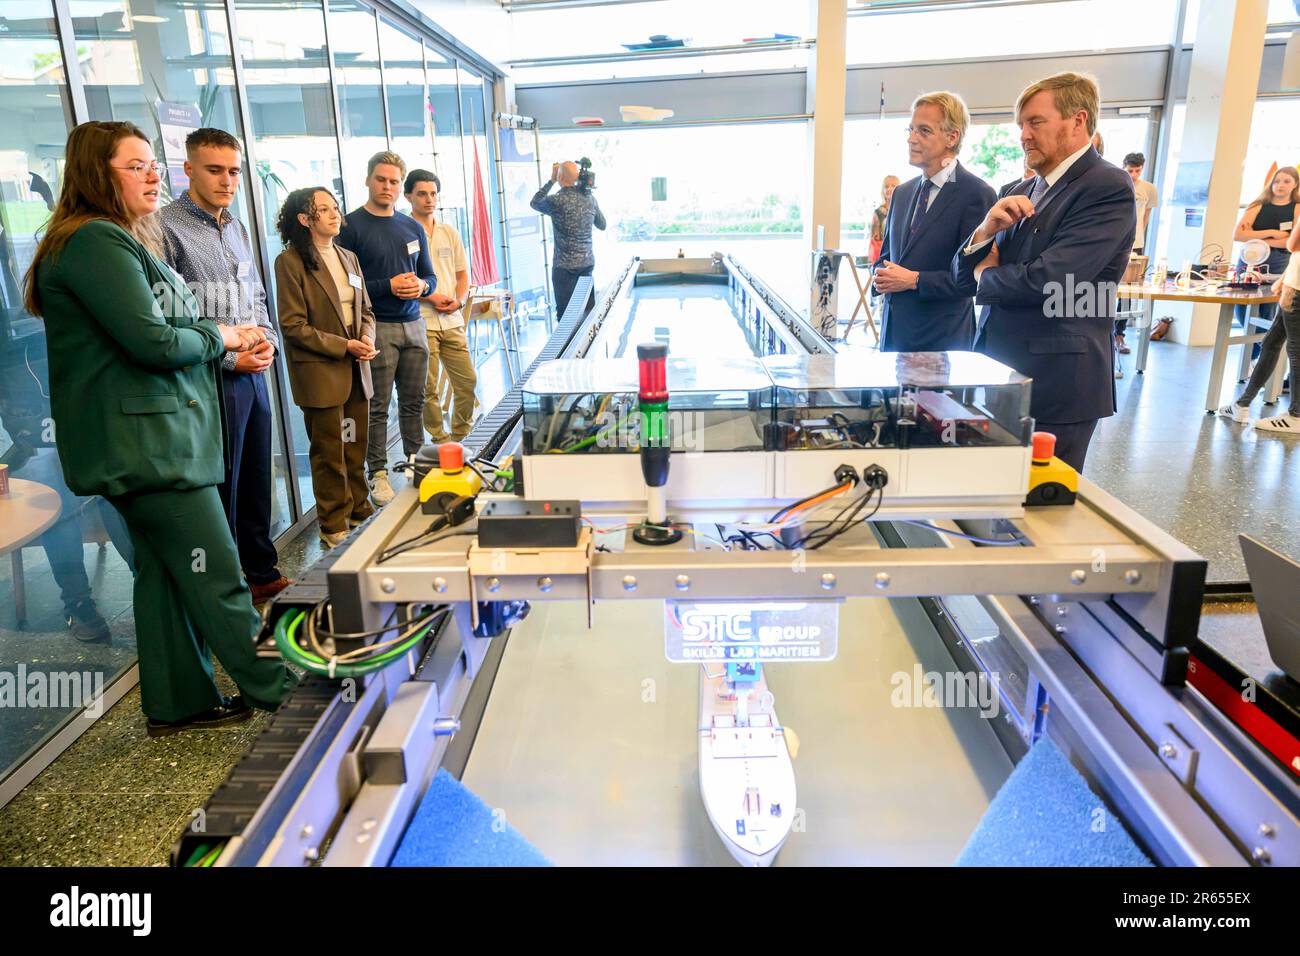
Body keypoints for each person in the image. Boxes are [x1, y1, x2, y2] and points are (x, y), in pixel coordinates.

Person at [24, 120, 294, 734]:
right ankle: (283, 692)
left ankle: (179, 705)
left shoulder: (112, 238)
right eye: (135, 164)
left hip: (153, 445)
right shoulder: (94, 241)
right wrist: (221, 335)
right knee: (218, 574)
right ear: (98, 173)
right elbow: (152, 340)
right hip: (150, 451)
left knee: (167, 578)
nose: (152, 174)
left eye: (153, 163)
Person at [954, 72, 1135, 472]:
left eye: (1035, 122)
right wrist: (984, 233)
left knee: (1042, 511)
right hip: (1000, 373)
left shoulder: (1107, 186)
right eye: (1021, 124)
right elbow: (960, 276)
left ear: (1078, 120)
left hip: (1058, 383)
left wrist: (988, 275)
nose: (1024, 134)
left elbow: (1049, 279)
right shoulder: (1015, 190)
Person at [159, 128, 291, 604]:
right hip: (209, 378)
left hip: (254, 371)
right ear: (188, 169)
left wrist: (269, 342)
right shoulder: (165, 229)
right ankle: (224, 587)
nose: (227, 180)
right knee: (224, 487)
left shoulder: (234, 226)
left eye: (233, 170)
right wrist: (233, 356)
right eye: (215, 170)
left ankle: (262, 571)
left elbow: (254, 293)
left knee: (257, 476)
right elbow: (168, 317)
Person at [274, 188, 379, 545]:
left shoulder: (348, 256)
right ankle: (334, 524)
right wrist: (344, 345)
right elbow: (293, 326)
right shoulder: (290, 262)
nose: (335, 214)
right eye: (324, 210)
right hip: (320, 372)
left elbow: (365, 309)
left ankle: (360, 511)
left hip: (355, 368)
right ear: (305, 220)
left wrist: (365, 338)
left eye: (335, 207)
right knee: (329, 453)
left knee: (355, 447)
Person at [336, 151, 436, 507]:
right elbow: (347, 285)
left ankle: (417, 466)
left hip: (414, 325)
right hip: (377, 328)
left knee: (414, 403)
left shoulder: (412, 227)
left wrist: (421, 288)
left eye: (394, 181)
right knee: (377, 406)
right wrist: (387, 286)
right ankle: (377, 473)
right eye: (381, 179)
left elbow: (431, 276)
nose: (388, 187)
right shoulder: (349, 228)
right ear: (367, 180)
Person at [873, 92, 996, 352]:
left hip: (943, 344)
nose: (911, 138)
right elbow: (885, 259)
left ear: (952, 137)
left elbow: (972, 280)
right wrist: (880, 276)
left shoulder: (976, 194)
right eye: (911, 129)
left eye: (924, 131)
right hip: (893, 339)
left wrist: (914, 280)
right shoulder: (902, 193)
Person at [404, 169, 477, 444]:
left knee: (467, 382)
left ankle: (462, 434)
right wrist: (432, 297)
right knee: (428, 387)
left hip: (452, 319)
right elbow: (405, 279)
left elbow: (462, 274)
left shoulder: (449, 232)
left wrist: (458, 300)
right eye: (422, 194)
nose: (429, 199)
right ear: (409, 195)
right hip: (421, 319)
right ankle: (440, 439)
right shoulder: (402, 232)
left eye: (433, 194)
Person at [1218, 217, 1300, 434]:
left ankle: (1296, 415)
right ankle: (1241, 405)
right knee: (1271, 343)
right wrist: (1284, 278)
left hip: (1297, 289)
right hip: (1293, 282)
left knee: (1295, 349)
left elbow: (1292, 245)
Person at [1231, 166, 1298, 347]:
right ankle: (1259, 351)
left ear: (1295, 184)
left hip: (1278, 262)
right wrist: (1273, 233)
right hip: (1249, 260)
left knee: (1267, 311)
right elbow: (1238, 235)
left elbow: (1291, 243)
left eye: (1286, 181)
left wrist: (1255, 235)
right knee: (1242, 307)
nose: (1280, 185)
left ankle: (1256, 356)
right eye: (1276, 181)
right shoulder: (1257, 205)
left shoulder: (1297, 208)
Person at [531, 160, 606, 316]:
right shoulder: (590, 199)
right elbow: (602, 224)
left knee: (566, 317)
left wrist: (551, 180)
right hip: (587, 265)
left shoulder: (557, 201)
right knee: (587, 314)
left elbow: (535, 202)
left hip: (564, 269)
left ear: (560, 177)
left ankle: (568, 341)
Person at [867, 175, 900, 265]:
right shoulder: (878, 212)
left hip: (900, 255)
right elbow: (875, 238)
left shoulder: (904, 210)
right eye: (886, 186)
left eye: (893, 186)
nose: (889, 189)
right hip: (883, 256)